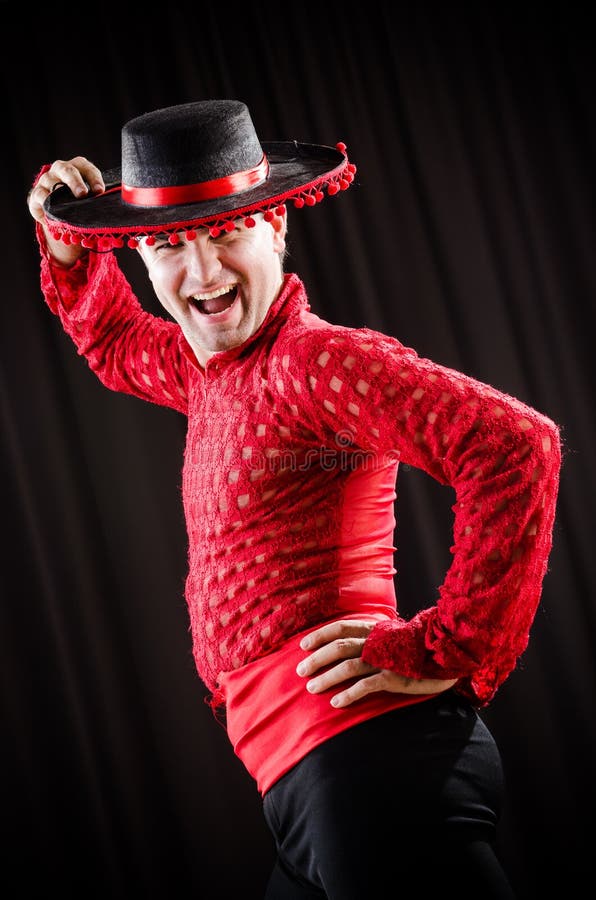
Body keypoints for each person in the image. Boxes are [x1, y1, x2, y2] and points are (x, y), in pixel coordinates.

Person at [27, 99, 561, 899]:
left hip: (370, 769)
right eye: (169, 243)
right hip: (309, 789)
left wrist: (451, 649)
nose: (202, 274)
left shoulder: (313, 362)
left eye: (227, 233)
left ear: (276, 228)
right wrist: (69, 249)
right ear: (140, 254)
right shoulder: (207, 372)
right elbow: (112, 345)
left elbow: (517, 445)